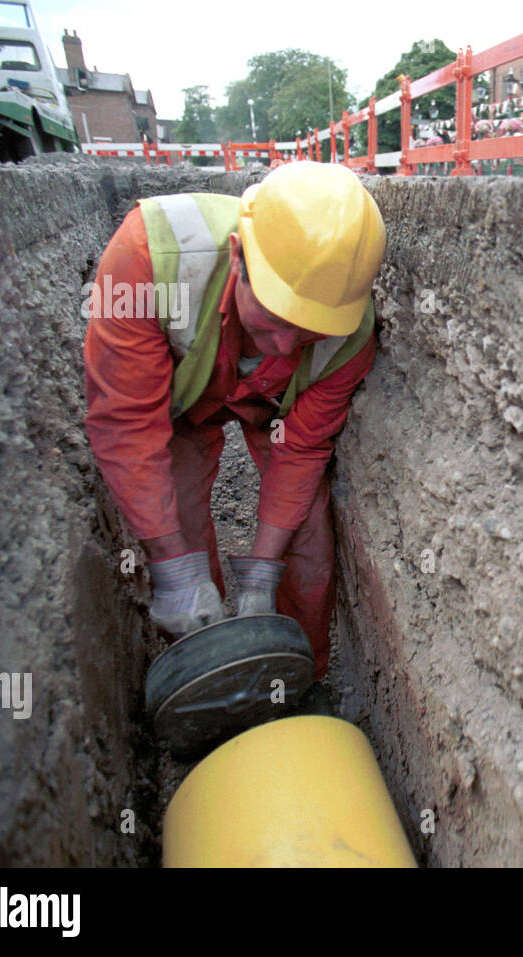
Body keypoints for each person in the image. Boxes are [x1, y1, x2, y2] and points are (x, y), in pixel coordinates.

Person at [83, 161, 386, 687]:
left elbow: (302, 449)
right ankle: (207, 678)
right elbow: (127, 425)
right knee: (178, 523)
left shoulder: (348, 331)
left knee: (306, 549)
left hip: (274, 409)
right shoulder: (150, 260)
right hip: (179, 397)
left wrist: (263, 573)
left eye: (308, 332)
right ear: (238, 257)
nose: (288, 346)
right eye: (275, 320)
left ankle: (295, 680)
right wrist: (172, 567)